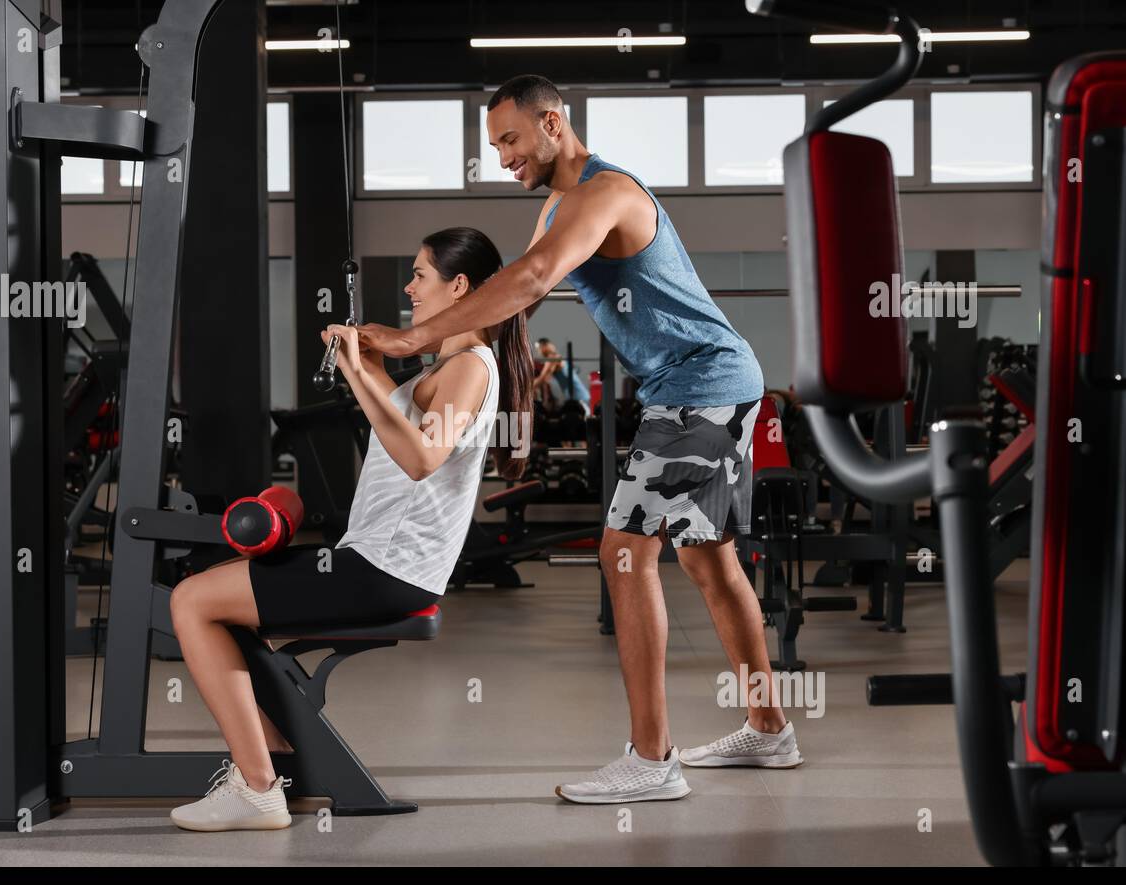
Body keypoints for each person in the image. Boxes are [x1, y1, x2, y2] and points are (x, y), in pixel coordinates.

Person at [354, 75, 801, 805]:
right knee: (709, 562)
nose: (501, 158)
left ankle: (652, 758)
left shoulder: (606, 193)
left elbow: (530, 278)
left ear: (552, 123)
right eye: (493, 144)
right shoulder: (561, 208)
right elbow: (518, 294)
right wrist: (491, 380)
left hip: (701, 383)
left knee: (624, 553)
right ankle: (769, 726)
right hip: (705, 384)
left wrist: (409, 338)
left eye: (509, 139)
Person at [167, 227, 534, 830]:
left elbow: (422, 458)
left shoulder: (469, 366)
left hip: (388, 571)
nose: (411, 287)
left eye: (421, 275)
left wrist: (361, 377)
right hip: (377, 562)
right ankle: (275, 756)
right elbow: (400, 419)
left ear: (459, 286)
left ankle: (256, 786)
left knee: (191, 600)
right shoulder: (450, 365)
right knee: (213, 591)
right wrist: (362, 366)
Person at [532, 337, 591, 406]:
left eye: (538, 348)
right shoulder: (556, 358)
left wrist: (526, 388)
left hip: (579, 399)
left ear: (545, 346)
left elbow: (544, 379)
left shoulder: (553, 358)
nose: (538, 351)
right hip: (578, 398)